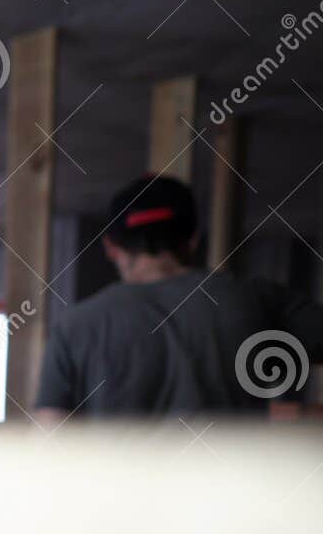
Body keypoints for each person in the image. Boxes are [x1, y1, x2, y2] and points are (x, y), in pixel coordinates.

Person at [35, 174, 323, 420]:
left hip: (114, 487)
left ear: (111, 247)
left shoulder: (73, 327)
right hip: (234, 485)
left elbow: (49, 438)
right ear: (193, 239)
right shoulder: (259, 299)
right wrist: (297, 419)